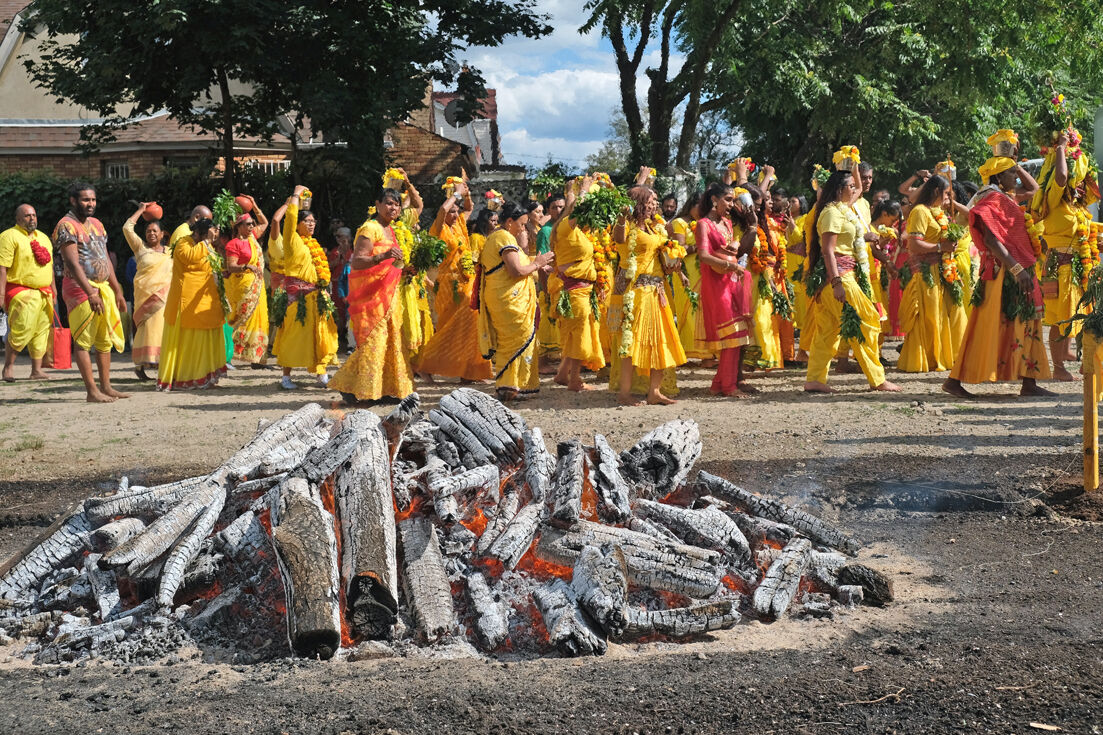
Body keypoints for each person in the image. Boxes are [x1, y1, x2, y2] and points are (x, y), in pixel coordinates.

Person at [944, 130, 1054, 398]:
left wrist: (1013, 162)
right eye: (1010, 174)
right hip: (1005, 271)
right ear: (997, 176)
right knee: (988, 324)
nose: (1015, 177)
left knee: (1026, 321)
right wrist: (1016, 270)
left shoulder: (1005, 196)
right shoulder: (991, 197)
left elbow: (1035, 190)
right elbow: (992, 239)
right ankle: (955, 381)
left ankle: (1029, 382)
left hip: (1018, 268)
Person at [802, 170, 899, 393]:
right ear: (839, 189)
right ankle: (877, 379)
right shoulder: (831, 213)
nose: (855, 190)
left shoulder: (841, 211)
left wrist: (870, 237)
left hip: (842, 275)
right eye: (851, 186)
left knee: (827, 331)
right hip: (839, 277)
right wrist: (836, 283)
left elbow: (847, 238)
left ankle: (815, 379)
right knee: (867, 321)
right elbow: (828, 250)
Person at [330, 189, 416, 403]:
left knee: (391, 340)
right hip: (371, 297)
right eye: (388, 203)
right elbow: (357, 261)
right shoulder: (370, 228)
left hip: (390, 295)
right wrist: (383, 256)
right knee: (374, 342)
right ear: (377, 204)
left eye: (396, 204)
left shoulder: (391, 230)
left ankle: (387, 390)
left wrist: (405, 269)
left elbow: (390, 265)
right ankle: (362, 390)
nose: (393, 208)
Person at [53, 182, 129, 402]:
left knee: (104, 340)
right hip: (80, 290)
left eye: (93, 200)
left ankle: (106, 387)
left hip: (102, 288)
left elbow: (104, 258)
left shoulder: (97, 224)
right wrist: (91, 293)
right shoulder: (66, 226)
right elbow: (72, 263)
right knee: (83, 341)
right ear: (73, 201)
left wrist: (118, 290)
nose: (90, 204)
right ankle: (91, 391)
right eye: (86, 200)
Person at [611, 186, 687, 405]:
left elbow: (663, 258)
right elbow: (619, 238)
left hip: (657, 291)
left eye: (655, 200)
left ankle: (654, 392)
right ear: (640, 203)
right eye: (651, 200)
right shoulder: (628, 226)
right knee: (631, 342)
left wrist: (674, 263)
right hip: (636, 292)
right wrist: (622, 218)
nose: (655, 204)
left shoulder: (656, 228)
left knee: (659, 341)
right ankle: (624, 392)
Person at [1034, 128, 1100, 381]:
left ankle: (1087, 362)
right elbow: (1061, 176)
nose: (1083, 188)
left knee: (1083, 315)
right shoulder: (1053, 198)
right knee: (1060, 319)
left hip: (1081, 267)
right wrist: (1061, 147)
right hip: (1059, 266)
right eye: (1079, 183)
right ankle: (1058, 368)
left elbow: (1092, 188)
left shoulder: (1078, 208)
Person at [413, 180, 493, 382]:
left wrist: (465, 193)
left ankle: (469, 370)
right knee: (451, 328)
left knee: (471, 326)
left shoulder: (459, 226)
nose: (455, 215)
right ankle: (425, 366)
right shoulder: (438, 229)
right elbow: (442, 209)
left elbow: (469, 208)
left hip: (468, 281)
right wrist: (455, 194)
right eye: (452, 212)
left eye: (456, 212)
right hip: (449, 284)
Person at [475, 201, 554, 401]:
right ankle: (509, 386)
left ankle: (512, 386)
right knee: (516, 339)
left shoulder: (500, 236)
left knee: (513, 341)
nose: (523, 228)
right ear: (509, 221)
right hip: (508, 299)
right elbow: (515, 271)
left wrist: (535, 264)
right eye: (521, 224)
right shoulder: (503, 237)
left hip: (504, 297)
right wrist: (537, 263)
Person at [272, 186, 339, 389]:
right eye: (306, 221)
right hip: (297, 296)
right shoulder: (292, 240)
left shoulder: (314, 244)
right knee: (293, 334)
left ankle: (321, 374)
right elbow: (288, 219)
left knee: (321, 334)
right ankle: (285, 377)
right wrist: (295, 194)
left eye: (313, 222)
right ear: (298, 225)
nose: (311, 225)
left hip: (316, 296)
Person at [694, 182, 754, 396]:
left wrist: (736, 246)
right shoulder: (703, 224)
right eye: (728, 200)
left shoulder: (728, 224)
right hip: (716, 284)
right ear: (714, 200)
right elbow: (703, 256)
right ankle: (728, 386)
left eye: (732, 200)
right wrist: (730, 265)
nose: (731, 204)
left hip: (733, 281)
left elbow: (731, 247)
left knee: (738, 335)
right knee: (732, 334)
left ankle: (719, 384)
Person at [897, 175, 960, 372]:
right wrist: (942, 247)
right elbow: (913, 244)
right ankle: (928, 359)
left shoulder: (937, 212)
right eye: (946, 194)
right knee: (930, 317)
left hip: (943, 270)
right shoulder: (920, 211)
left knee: (948, 314)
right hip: (926, 273)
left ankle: (948, 356)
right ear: (935, 192)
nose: (948, 198)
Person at [157, 218, 227, 390]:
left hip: (206, 302)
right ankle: (188, 378)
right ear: (201, 232)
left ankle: (206, 378)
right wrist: (207, 241)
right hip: (186, 304)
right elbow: (190, 257)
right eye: (213, 231)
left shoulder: (208, 246)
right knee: (192, 342)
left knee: (206, 341)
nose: (215, 234)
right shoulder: (183, 243)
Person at [551, 174, 606, 392]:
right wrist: (583, 189)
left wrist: (572, 191)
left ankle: (562, 374)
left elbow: (574, 208)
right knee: (579, 336)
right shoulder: (565, 228)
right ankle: (575, 380)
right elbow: (576, 210)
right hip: (575, 290)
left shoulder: (575, 230)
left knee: (576, 335)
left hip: (582, 290)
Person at [0, 204, 54, 381]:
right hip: (20, 291)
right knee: (22, 328)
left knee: (41, 331)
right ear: (18, 219)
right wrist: (1, 294)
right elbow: (2, 267)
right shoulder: (9, 236)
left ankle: (36, 370)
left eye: (34, 215)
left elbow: (50, 267)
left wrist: (54, 291)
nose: (32, 219)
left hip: (44, 292)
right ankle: (8, 368)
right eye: (27, 216)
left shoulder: (44, 238)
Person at [121, 203, 171, 380]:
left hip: (165, 298)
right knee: (146, 330)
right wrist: (141, 210)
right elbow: (127, 228)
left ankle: (162, 365)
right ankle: (140, 367)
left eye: (155, 231)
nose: (151, 234)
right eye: (148, 231)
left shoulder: (171, 252)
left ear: (163, 234)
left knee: (163, 330)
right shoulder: (140, 249)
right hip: (146, 299)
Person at [745, 184, 789, 371]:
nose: (759, 207)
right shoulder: (744, 225)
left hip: (762, 275)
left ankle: (766, 359)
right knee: (752, 320)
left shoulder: (764, 225)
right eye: (757, 203)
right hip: (745, 278)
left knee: (765, 318)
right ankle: (750, 361)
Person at [224, 197, 271, 367]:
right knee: (241, 318)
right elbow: (231, 267)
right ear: (238, 227)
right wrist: (248, 266)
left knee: (260, 318)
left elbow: (265, 223)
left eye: (252, 224)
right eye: (248, 224)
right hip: (244, 286)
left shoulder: (252, 238)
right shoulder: (234, 244)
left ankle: (256, 358)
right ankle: (229, 355)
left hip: (257, 286)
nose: (252, 227)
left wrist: (255, 205)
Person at [668, 193, 713, 365]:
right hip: (685, 272)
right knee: (691, 310)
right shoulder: (679, 223)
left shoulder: (703, 223)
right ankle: (693, 352)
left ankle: (705, 352)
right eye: (700, 207)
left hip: (703, 270)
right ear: (692, 205)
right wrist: (699, 247)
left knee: (704, 309)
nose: (702, 211)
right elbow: (679, 249)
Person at [535, 193, 565, 368]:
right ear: (548, 211)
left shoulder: (564, 227)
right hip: (550, 280)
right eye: (554, 207)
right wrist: (544, 289)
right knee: (548, 318)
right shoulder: (546, 231)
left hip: (562, 278)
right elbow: (542, 261)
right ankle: (542, 362)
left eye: (561, 206)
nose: (558, 210)